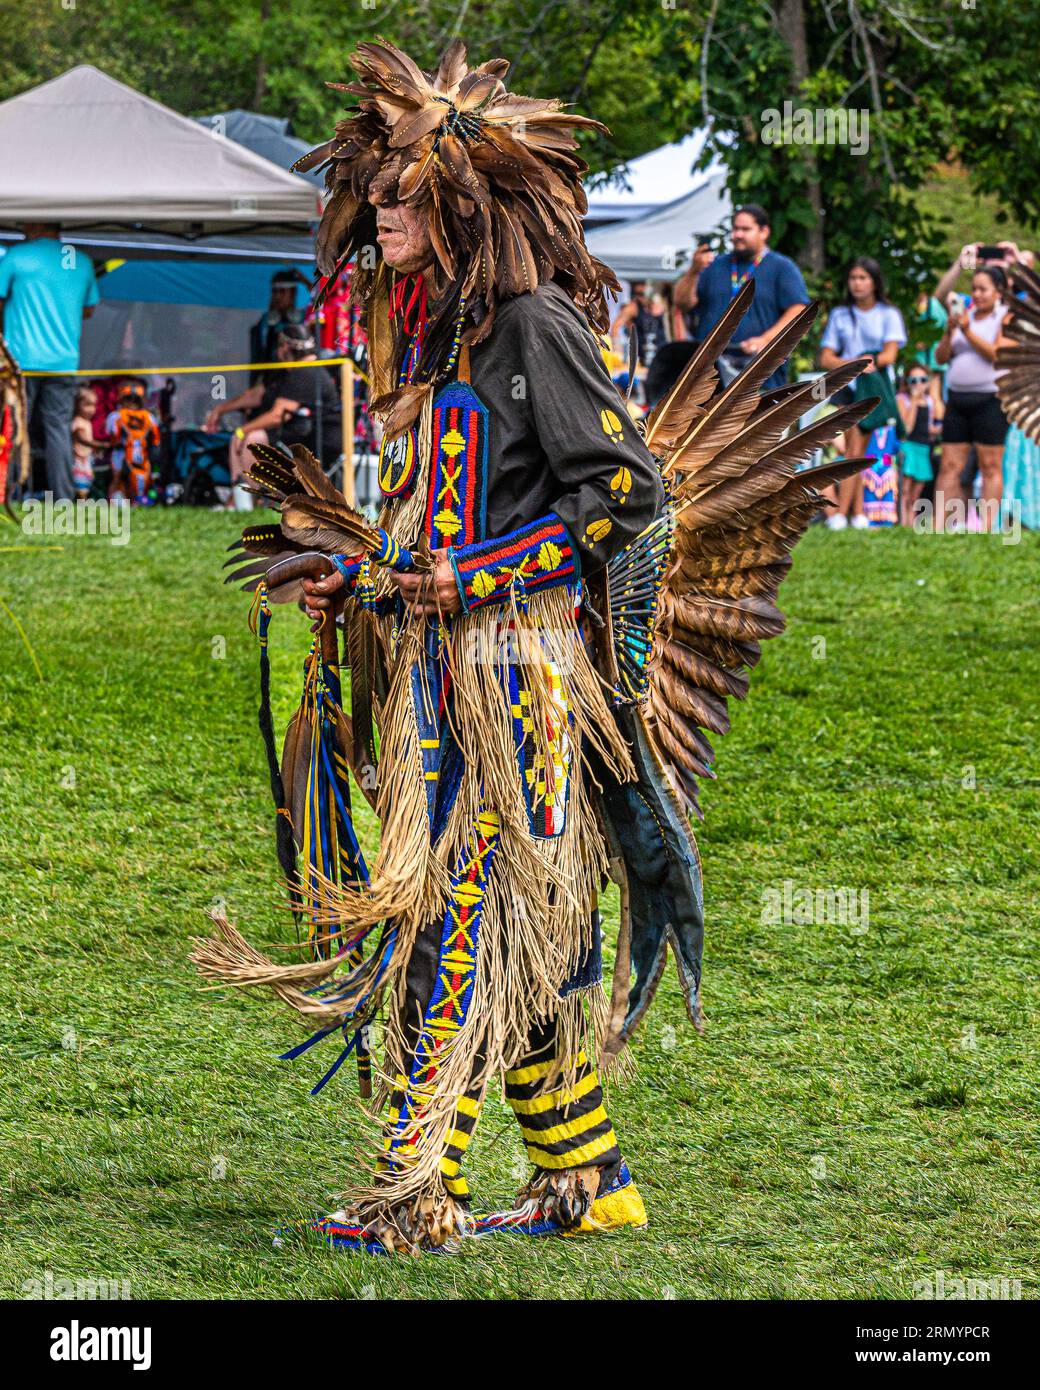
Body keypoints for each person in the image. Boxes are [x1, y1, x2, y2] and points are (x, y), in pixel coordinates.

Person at [192, 37, 865, 1256]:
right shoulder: (443, 341)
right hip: (442, 680)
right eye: (373, 199)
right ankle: (587, 1176)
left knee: (447, 918)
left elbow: (626, 499)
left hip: (521, 686)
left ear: (459, 204)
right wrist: (363, 579)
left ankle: (413, 1188)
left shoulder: (534, 326)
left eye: (399, 199)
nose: (380, 218)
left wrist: (466, 578)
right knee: (508, 928)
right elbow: (442, 516)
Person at [0, 223, 99, 498]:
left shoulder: (16, 257)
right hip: (63, 361)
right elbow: (89, 309)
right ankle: (63, 497)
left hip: (21, 362)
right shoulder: (81, 261)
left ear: (34, 224)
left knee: (15, 428)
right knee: (58, 431)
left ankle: (9, 494)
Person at [673, 205, 810, 389]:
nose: (737, 235)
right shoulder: (715, 265)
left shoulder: (782, 267)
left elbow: (799, 309)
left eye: (745, 229)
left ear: (764, 231)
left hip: (758, 370)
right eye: (735, 229)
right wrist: (694, 270)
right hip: (709, 369)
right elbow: (682, 303)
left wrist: (765, 340)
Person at [204, 326, 338, 507]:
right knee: (241, 437)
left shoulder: (307, 372)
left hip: (313, 439)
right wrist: (220, 409)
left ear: (285, 347)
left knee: (251, 438)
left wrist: (243, 430)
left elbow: (276, 415)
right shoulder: (287, 372)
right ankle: (238, 501)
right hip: (293, 432)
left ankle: (246, 501)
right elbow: (256, 395)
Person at [818, 257, 907, 529]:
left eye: (863, 278)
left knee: (859, 451)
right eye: (853, 278)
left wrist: (869, 363)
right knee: (854, 450)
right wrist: (854, 364)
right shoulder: (840, 315)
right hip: (847, 385)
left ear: (874, 282)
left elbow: (891, 354)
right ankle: (849, 514)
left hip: (873, 385)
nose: (857, 284)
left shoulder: (888, 313)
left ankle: (849, 514)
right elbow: (825, 358)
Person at [934, 266, 1014, 532]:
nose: (976, 294)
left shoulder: (1006, 317)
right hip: (957, 399)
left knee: (989, 464)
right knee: (949, 464)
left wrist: (967, 332)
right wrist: (949, 332)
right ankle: (937, 526)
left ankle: (988, 526)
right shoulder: (963, 316)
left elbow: (999, 354)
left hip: (991, 399)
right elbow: (940, 358)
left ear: (998, 291)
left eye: (983, 289)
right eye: (974, 288)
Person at [896, 365, 942, 527]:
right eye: (913, 380)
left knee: (915, 495)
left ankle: (910, 526)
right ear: (908, 383)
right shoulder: (902, 399)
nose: (918, 384)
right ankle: (903, 524)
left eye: (922, 380)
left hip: (923, 449)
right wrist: (914, 402)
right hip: (908, 447)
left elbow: (931, 426)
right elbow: (906, 428)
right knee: (905, 492)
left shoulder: (930, 401)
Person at [248, 269, 307, 368]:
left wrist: (305, 282)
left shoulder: (303, 318)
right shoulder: (265, 321)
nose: (277, 296)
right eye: (274, 292)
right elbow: (259, 353)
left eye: (282, 291)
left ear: (293, 293)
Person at [611, 280, 667, 367]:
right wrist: (619, 353)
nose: (643, 296)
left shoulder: (662, 305)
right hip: (642, 357)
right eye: (640, 294)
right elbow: (615, 328)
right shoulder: (633, 307)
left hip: (661, 356)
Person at [70, 386, 107, 500]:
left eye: (94, 405)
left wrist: (94, 449)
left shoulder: (86, 422)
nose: (92, 409)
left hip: (86, 458)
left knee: (85, 483)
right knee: (80, 484)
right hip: (77, 459)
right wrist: (100, 445)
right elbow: (81, 438)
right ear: (77, 405)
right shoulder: (78, 421)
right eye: (87, 405)